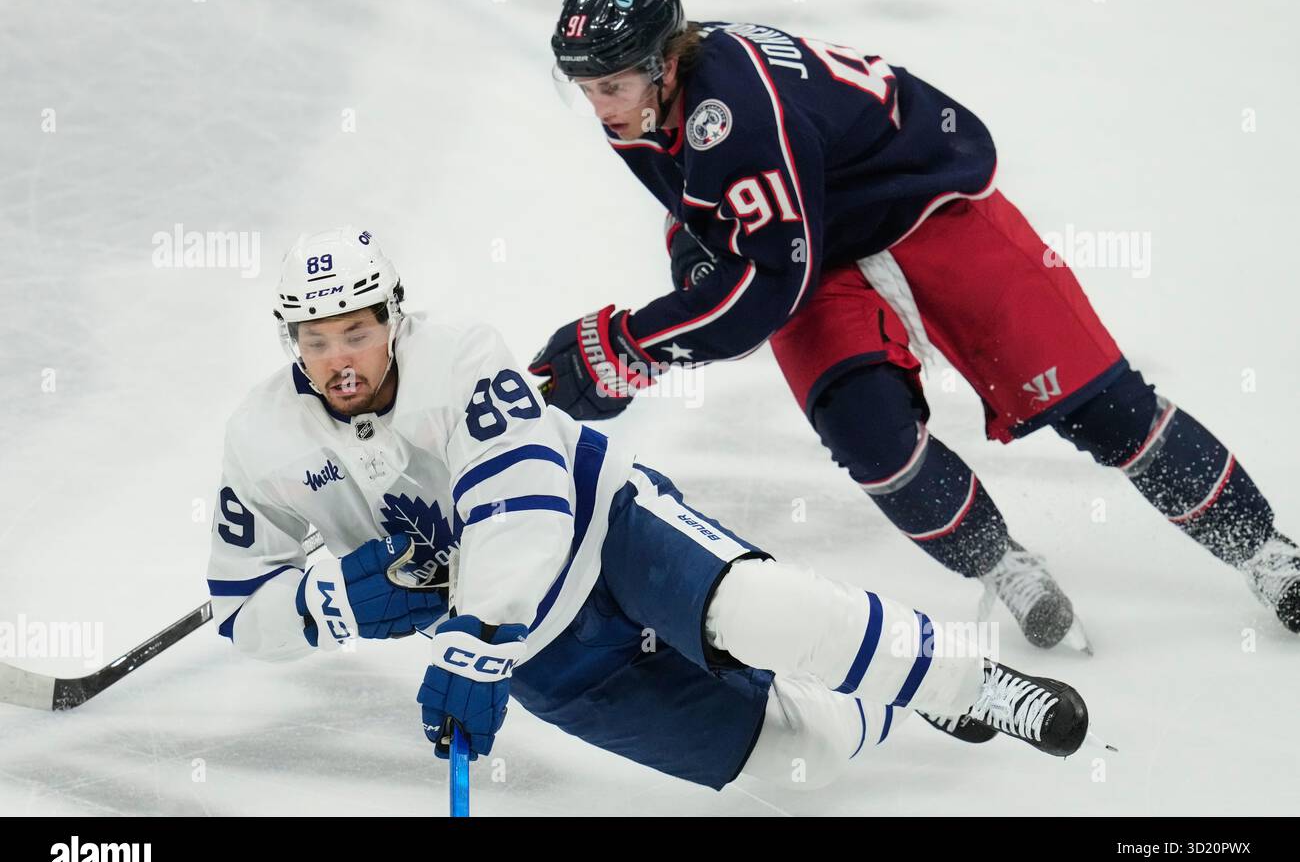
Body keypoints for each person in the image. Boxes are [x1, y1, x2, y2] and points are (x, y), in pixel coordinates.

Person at [533, 0, 1300, 645]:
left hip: (927, 208)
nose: (602, 107)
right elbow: (706, 214)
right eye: (589, 89)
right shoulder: (646, 105)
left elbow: (769, 285)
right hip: (817, 238)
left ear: (667, 65)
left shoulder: (730, 113)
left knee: (1102, 406)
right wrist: (678, 284)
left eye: (613, 87)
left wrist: (633, 342)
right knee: (871, 440)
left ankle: (1268, 553)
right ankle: (1003, 566)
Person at [205, 226, 1091, 793]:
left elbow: (526, 503)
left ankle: (975, 685)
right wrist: (328, 605)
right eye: (315, 341)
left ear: (395, 317)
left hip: (609, 530)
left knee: (766, 613)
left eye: (357, 330)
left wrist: (473, 642)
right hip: (537, 653)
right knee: (793, 763)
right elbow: (239, 612)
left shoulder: (461, 355)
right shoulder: (261, 439)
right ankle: (899, 700)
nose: (340, 359)